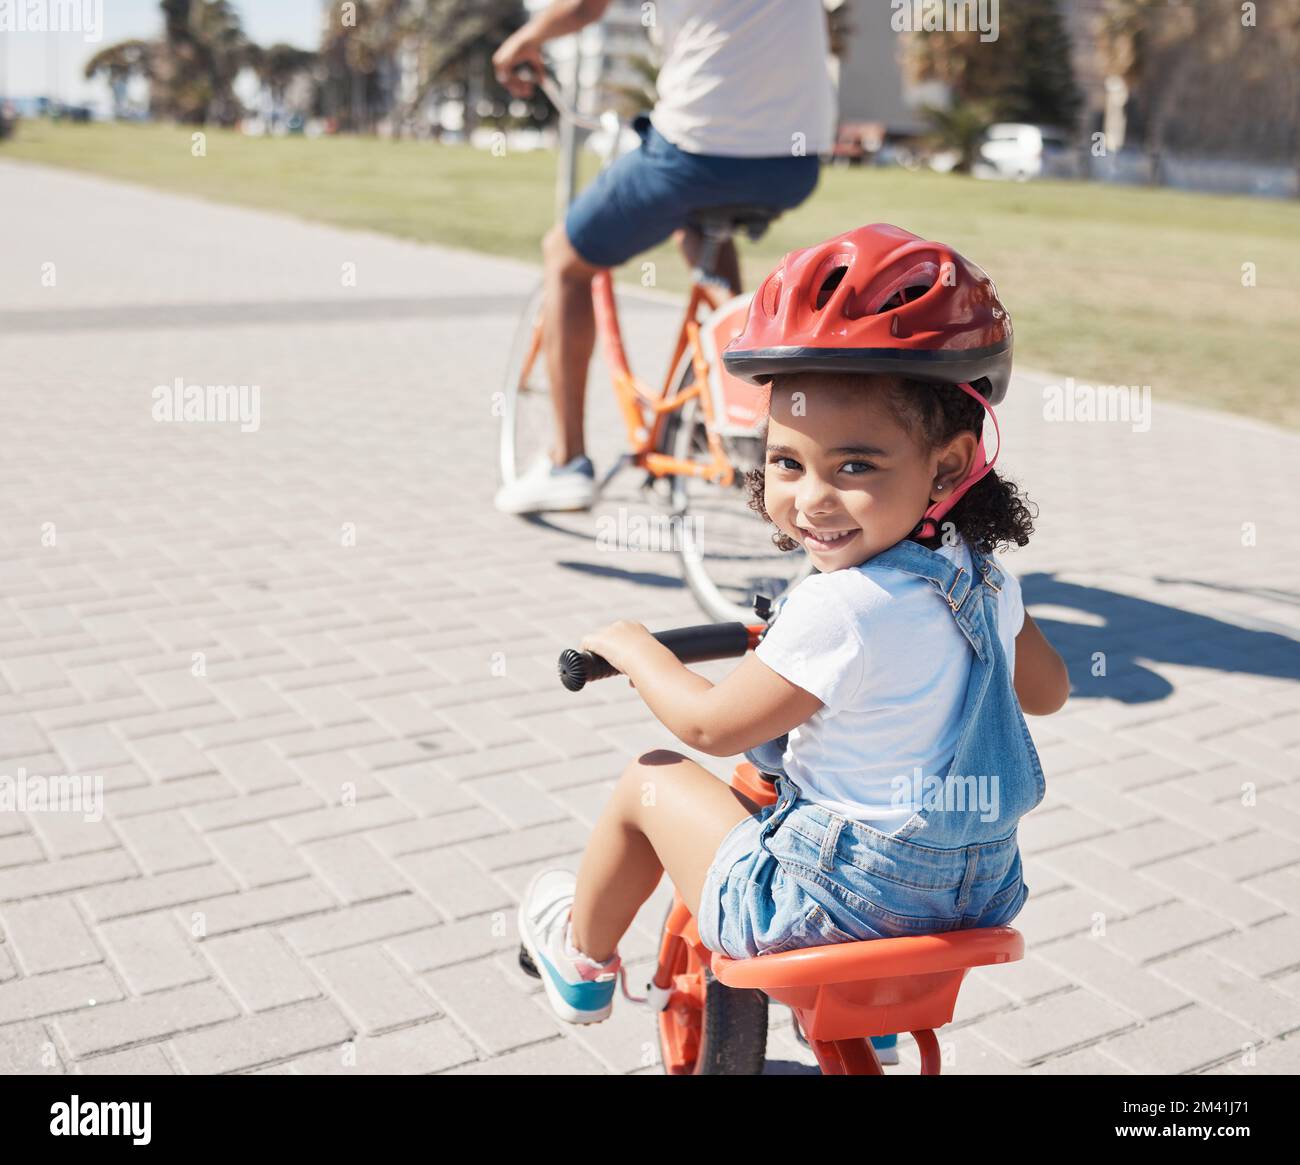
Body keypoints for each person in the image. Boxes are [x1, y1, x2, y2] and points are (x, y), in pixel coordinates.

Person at [516, 223, 1071, 1042]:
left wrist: (638, 649)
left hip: (825, 908)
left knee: (649, 779)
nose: (810, 500)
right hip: (973, 900)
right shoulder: (985, 578)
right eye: (785, 462)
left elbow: (710, 725)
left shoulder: (837, 609)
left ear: (949, 466)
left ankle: (579, 959)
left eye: (854, 467)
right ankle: (868, 1023)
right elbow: (1049, 694)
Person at [492, 0, 834, 514]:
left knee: (564, 257)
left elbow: (585, 6)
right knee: (698, 226)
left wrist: (524, 40)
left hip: (697, 151)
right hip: (795, 161)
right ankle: (719, 410)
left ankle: (566, 462)